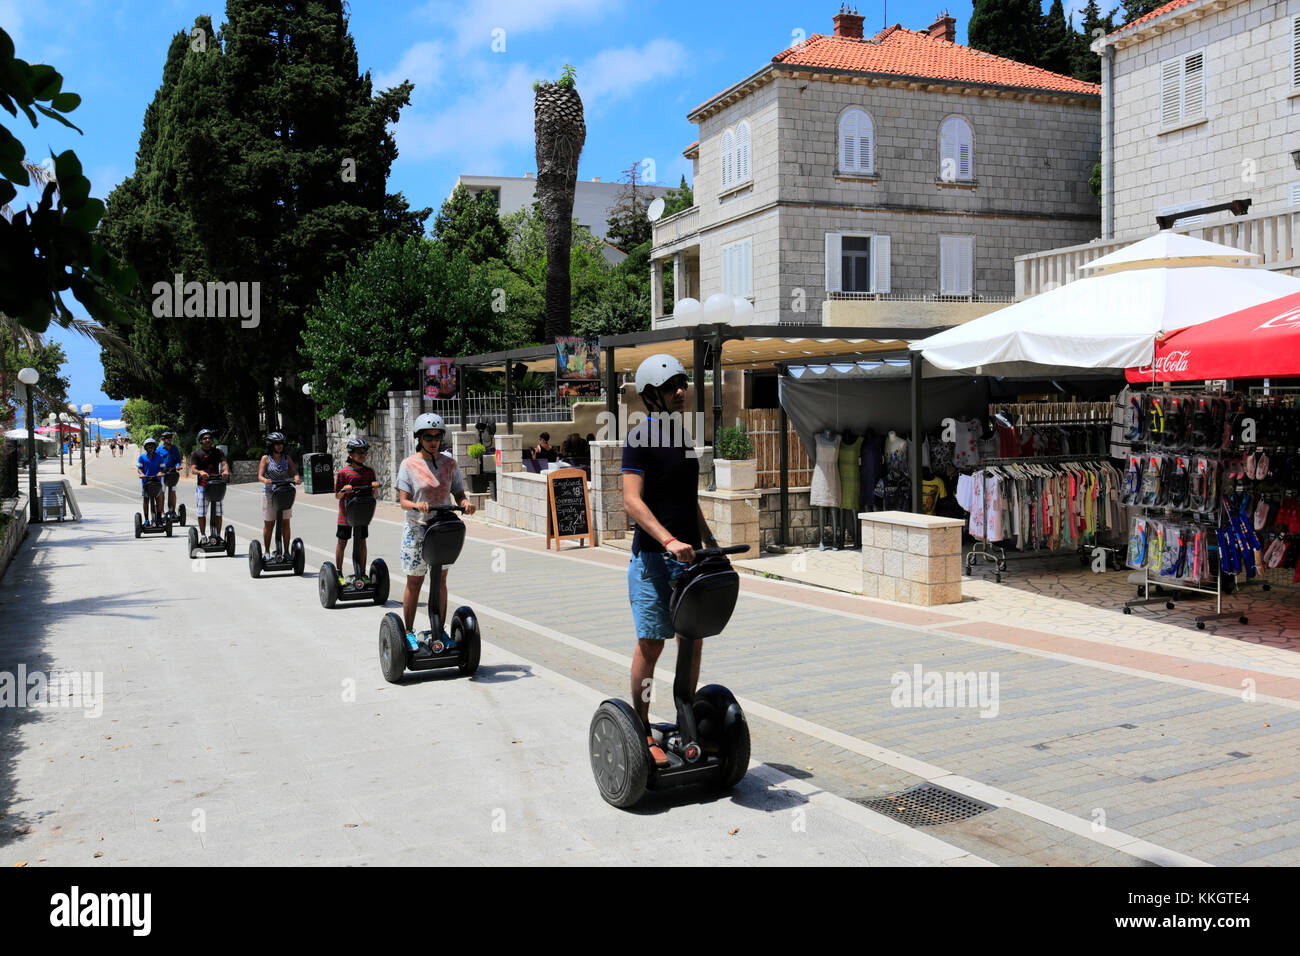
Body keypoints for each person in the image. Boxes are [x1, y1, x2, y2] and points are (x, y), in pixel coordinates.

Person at [622, 354, 718, 769]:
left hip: (688, 557)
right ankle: (641, 725)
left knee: (692, 640)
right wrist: (668, 539)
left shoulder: (682, 438)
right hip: (652, 559)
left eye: (683, 384)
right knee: (652, 642)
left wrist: (709, 542)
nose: (681, 392)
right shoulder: (638, 438)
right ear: (650, 395)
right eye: (671, 386)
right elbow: (632, 501)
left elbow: (687, 501)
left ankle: (685, 718)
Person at [397, 413, 476, 652]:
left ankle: (439, 629)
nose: (432, 440)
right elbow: (402, 501)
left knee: (440, 579)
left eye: (436, 436)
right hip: (417, 529)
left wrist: (465, 503)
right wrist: (416, 505)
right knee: (415, 580)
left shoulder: (450, 464)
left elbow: (459, 493)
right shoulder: (408, 464)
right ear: (419, 438)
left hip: (441, 528)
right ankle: (409, 632)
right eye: (427, 436)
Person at [334, 436, 380, 588]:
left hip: (361, 514)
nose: (362, 455)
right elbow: (337, 495)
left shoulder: (369, 472)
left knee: (362, 542)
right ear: (351, 454)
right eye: (359, 452)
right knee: (342, 541)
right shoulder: (343, 473)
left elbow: (372, 497)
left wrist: (374, 489)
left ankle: (362, 573)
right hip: (345, 514)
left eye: (364, 452)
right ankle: (339, 572)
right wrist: (344, 490)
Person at [257, 432, 302, 553]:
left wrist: (297, 478)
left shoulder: (286, 458)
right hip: (270, 494)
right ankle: (266, 551)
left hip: (284, 492)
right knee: (269, 524)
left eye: (281, 443)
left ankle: (286, 551)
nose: (279, 446)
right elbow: (260, 476)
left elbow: (294, 472)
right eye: (276, 444)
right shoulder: (265, 459)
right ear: (271, 445)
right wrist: (266, 480)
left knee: (285, 524)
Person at [190, 429, 230, 541]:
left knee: (218, 512)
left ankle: (217, 535)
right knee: (201, 512)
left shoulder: (217, 452)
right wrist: (200, 472)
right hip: (203, 486)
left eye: (209, 438)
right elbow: (193, 469)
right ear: (200, 440)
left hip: (216, 485)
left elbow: (224, 463)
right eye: (204, 438)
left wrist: (225, 471)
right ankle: (203, 535)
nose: (207, 440)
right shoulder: (196, 454)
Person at [136, 437, 166, 523]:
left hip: (157, 481)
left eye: (152, 446)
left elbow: (163, 468)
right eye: (148, 446)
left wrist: (160, 472)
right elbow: (139, 468)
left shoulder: (159, 457)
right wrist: (141, 474)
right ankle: (146, 520)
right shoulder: (142, 457)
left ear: (155, 447)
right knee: (146, 500)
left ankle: (159, 518)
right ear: (145, 448)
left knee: (159, 498)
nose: (150, 448)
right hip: (146, 481)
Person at [158, 431, 183, 515]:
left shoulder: (174, 448)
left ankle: (173, 511)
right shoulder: (159, 449)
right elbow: (156, 460)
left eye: (170, 438)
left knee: (173, 492)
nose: (169, 439)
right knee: (162, 492)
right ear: (164, 439)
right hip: (163, 473)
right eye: (168, 438)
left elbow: (178, 460)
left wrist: (178, 465)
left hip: (172, 473)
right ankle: (161, 511)